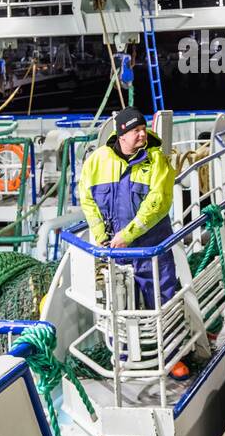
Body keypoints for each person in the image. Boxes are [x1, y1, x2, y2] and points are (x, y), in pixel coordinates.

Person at [78, 106, 188, 378]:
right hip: (114, 249)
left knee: (162, 298)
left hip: (151, 247)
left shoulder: (155, 160)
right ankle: (122, 355)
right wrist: (100, 233)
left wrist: (127, 236)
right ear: (121, 135)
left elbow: (158, 204)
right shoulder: (98, 160)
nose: (142, 134)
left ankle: (172, 354)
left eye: (143, 129)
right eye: (136, 131)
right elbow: (87, 198)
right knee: (118, 302)